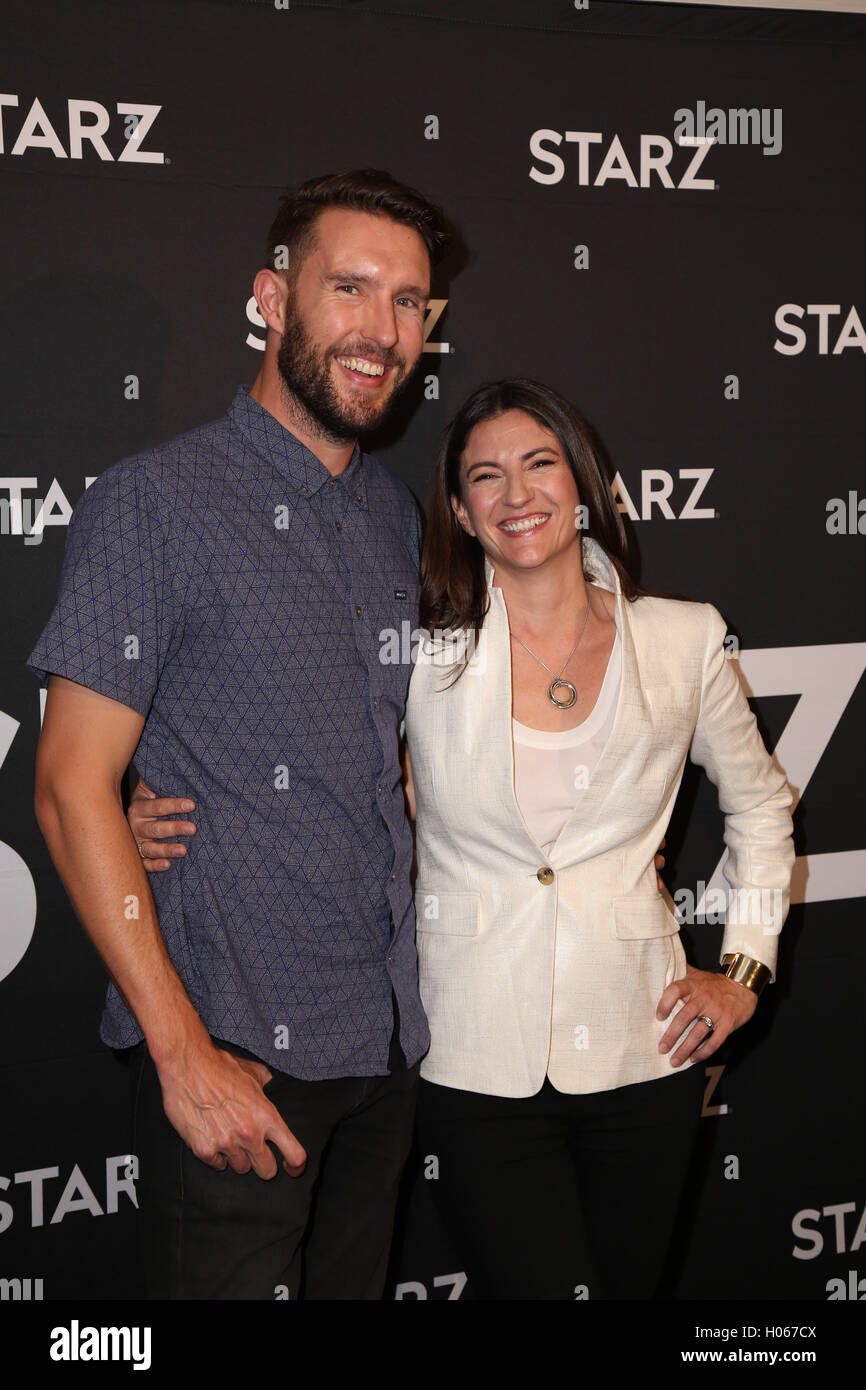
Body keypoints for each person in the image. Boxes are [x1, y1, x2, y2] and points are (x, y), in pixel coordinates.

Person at [130, 378, 795, 1300]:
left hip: (649, 1050)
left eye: (539, 465)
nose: (517, 495)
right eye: (487, 476)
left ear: (585, 484)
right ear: (459, 509)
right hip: (472, 1057)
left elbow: (762, 809)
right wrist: (142, 794)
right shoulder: (421, 644)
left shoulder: (684, 638)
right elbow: (305, 761)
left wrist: (746, 969)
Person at [26, 169, 452, 1300]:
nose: (381, 331)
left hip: (385, 1038)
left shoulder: (390, 513)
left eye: (409, 302)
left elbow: (389, 765)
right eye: (349, 288)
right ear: (270, 297)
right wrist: (182, 1055)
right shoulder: (152, 502)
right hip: (236, 1051)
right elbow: (72, 787)